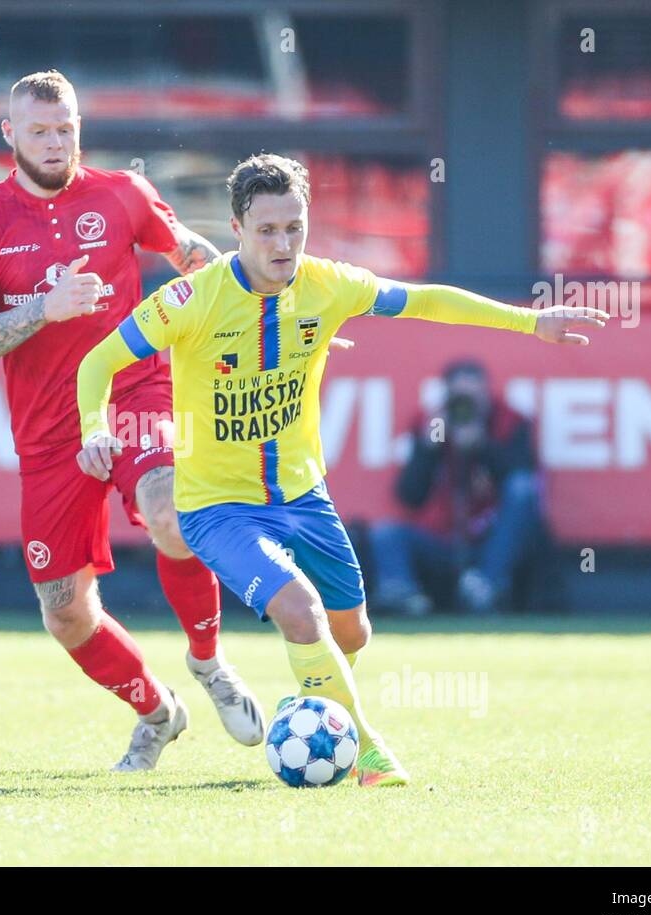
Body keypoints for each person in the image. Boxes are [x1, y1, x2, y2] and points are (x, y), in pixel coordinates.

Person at [76, 153, 608, 786]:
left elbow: (424, 301)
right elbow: (97, 364)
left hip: (304, 495)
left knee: (350, 633)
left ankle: (307, 705)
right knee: (301, 612)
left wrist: (529, 322)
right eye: (267, 230)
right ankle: (368, 753)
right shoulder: (189, 299)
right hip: (217, 506)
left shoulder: (328, 285)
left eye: (294, 227)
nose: (283, 244)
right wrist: (95, 430)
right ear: (236, 228)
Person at [0, 70, 264, 772]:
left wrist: (248, 309)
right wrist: (40, 311)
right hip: (50, 431)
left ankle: (208, 664)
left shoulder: (123, 192)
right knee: (64, 610)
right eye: (39, 131)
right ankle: (157, 711)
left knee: (171, 512)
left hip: (133, 390)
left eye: (66, 129)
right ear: (10, 135)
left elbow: (196, 259)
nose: (56, 144)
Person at [371, 359, 546, 614]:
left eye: (473, 398)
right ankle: (402, 594)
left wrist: (482, 446)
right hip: (443, 537)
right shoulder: (432, 424)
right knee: (386, 533)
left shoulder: (510, 422)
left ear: (487, 394)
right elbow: (408, 496)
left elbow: (524, 481)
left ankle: (486, 586)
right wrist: (428, 449)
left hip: (493, 538)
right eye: (459, 398)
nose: (467, 407)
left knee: (523, 489)